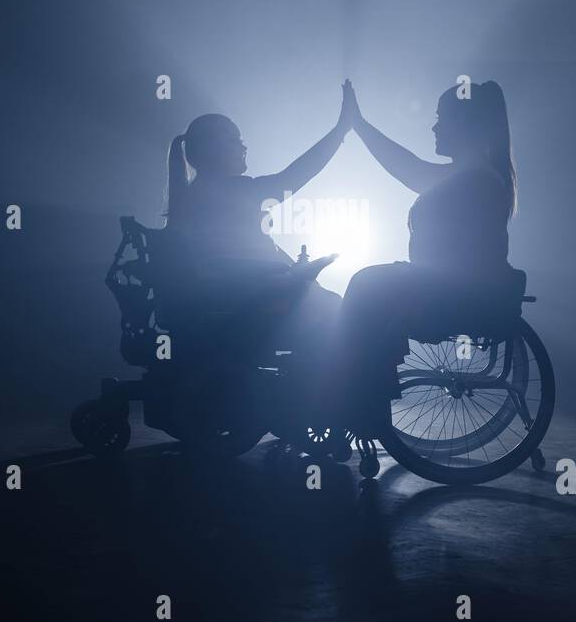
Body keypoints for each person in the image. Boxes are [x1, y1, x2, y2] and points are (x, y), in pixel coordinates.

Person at [332, 79, 524, 434]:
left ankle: (354, 400)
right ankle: (357, 398)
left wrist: (358, 125)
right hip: (446, 286)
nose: (434, 126)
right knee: (368, 283)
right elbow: (407, 167)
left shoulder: (475, 179)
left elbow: (408, 170)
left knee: (366, 283)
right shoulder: (472, 175)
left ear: (466, 125)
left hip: (453, 293)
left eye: (442, 118)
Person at [160, 85, 356, 352]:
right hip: (248, 305)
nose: (243, 146)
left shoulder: (194, 198)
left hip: (230, 303)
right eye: (234, 140)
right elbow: (296, 175)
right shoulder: (232, 191)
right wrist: (340, 130)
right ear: (213, 149)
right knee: (339, 313)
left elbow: (254, 249)